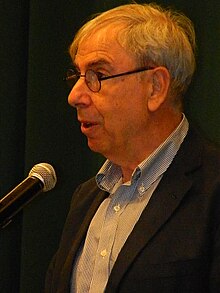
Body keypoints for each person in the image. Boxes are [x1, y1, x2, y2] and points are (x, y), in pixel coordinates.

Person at [45, 2, 220, 292]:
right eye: (77, 76)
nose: (75, 96)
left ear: (155, 87)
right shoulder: (85, 198)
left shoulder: (212, 190)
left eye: (97, 76)